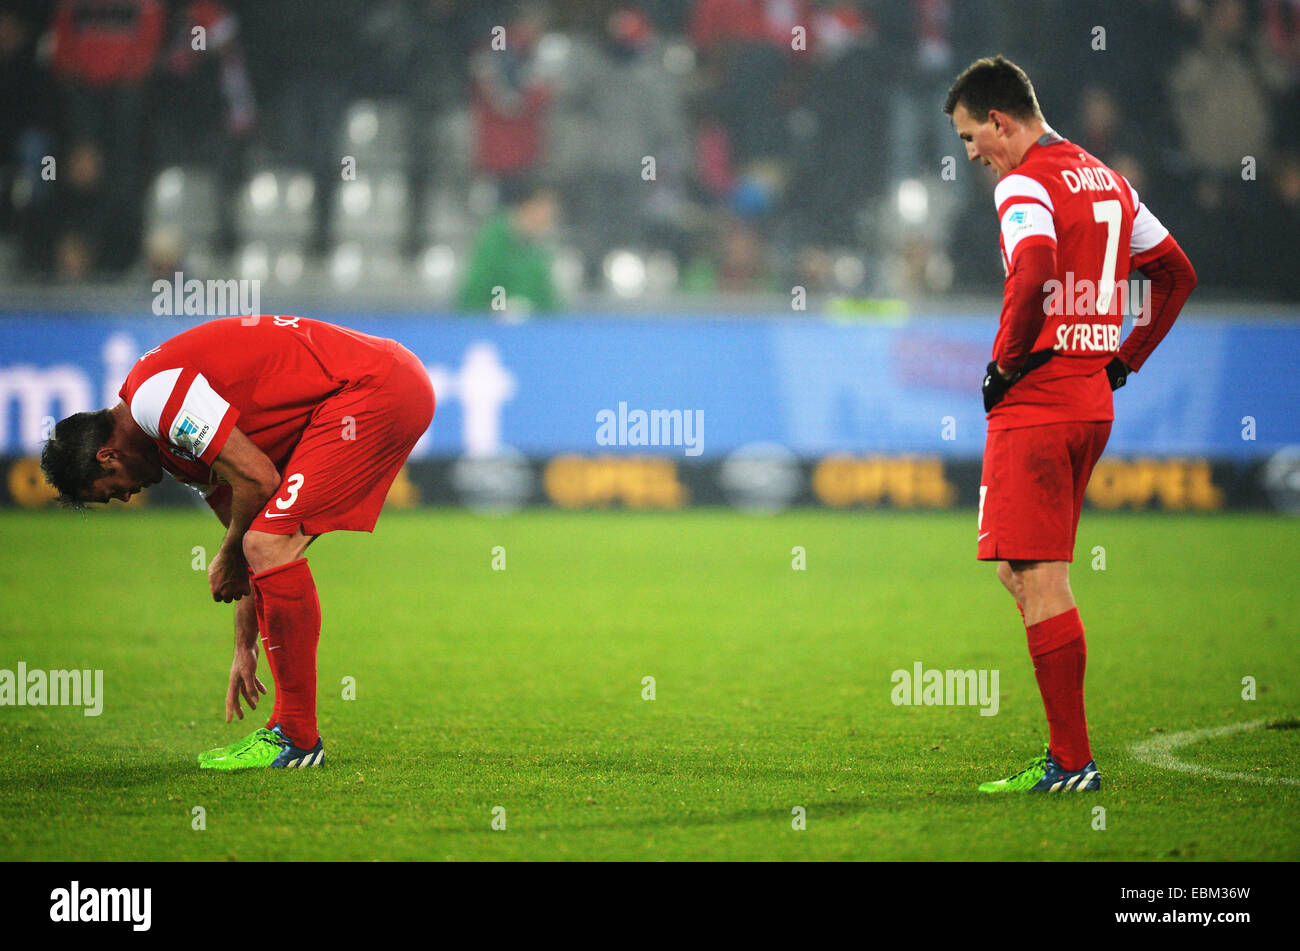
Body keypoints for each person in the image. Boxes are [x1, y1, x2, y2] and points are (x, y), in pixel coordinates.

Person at [943, 56, 1197, 792]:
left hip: (1039, 400)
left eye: (969, 137)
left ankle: (1072, 763)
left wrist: (1001, 364)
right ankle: (1068, 755)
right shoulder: (1107, 179)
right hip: (1090, 398)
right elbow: (1175, 272)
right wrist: (1123, 360)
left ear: (1000, 121)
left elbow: (1033, 268)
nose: (971, 155)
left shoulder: (1021, 182)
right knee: (1024, 573)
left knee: (1039, 576)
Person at [40, 316, 435, 770]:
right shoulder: (174, 445)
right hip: (373, 386)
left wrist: (228, 553)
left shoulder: (157, 402)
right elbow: (249, 535)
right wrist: (244, 645)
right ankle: (289, 733)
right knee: (267, 545)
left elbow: (258, 487)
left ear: (107, 456)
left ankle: (298, 739)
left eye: (112, 490)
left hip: (375, 389)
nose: (127, 496)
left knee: (267, 544)